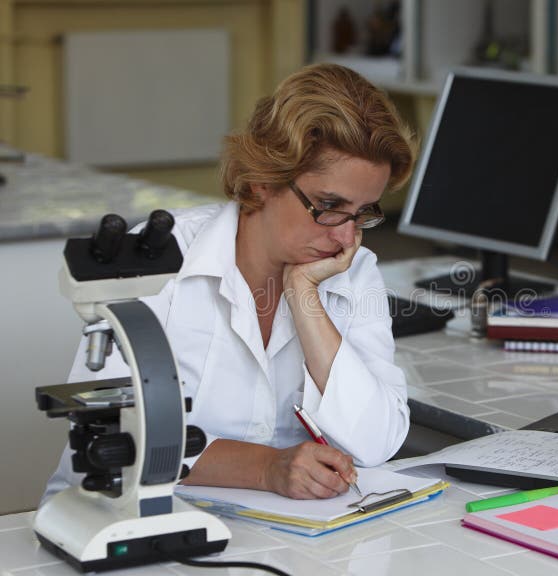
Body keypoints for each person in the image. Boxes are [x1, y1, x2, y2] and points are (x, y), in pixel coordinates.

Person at [42, 63, 417, 503]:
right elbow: (102, 441)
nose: (345, 237)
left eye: (364, 212)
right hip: (123, 522)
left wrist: (304, 298)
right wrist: (266, 468)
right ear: (262, 180)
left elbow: (376, 443)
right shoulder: (154, 260)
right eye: (329, 206)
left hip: (280, 539)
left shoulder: (353, 271)